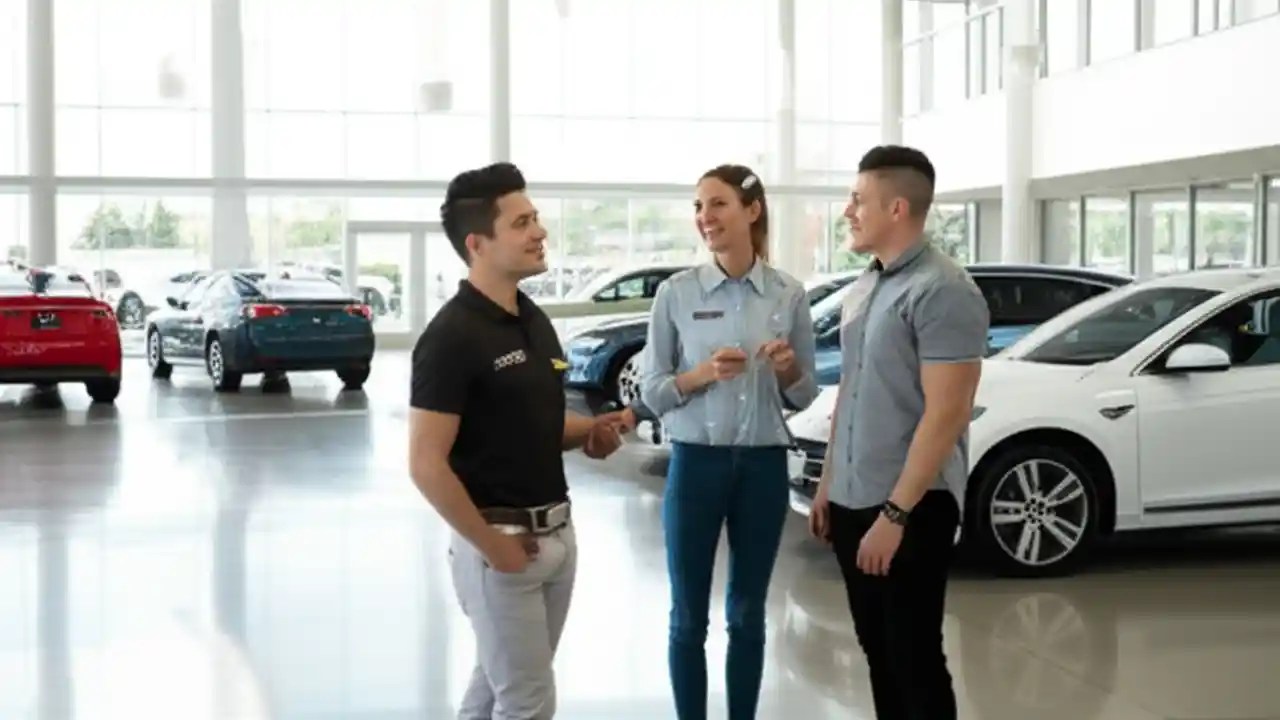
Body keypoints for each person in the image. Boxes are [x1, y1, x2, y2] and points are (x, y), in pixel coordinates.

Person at [408, 162, 636, 720]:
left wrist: (592, 432)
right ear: (477, 244)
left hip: (557, 536)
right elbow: (425, 463)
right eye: (521, 223)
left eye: (535, 218)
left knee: (496, 689)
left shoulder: (533, 320)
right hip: (502, 549)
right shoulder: (450, 337)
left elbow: (535, 424)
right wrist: (490, 544)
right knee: (528, 703)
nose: (539, 231)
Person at [808, 145, 989, 720]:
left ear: (897, 208)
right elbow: (851, 390)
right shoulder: (867, 285)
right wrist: (827, 483)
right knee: (878, 654)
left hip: (912, 504)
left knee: (914, 658)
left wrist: (895, 515)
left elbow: (947, 412)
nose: (848, 211)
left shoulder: (944, 289)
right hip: (853, 495)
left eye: (858, 200)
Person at [640, 164, 819, 720]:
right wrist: (701, 375)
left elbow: (805, 394)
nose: (705, 217)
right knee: (687, 617)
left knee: (747, 615)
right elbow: (652, 390)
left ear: (752, 210)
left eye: (717, 204)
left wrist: (787, 370)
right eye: (698, 207)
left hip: (763, 467)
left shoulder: (788, 294)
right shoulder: (676, 293)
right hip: (696, 465)